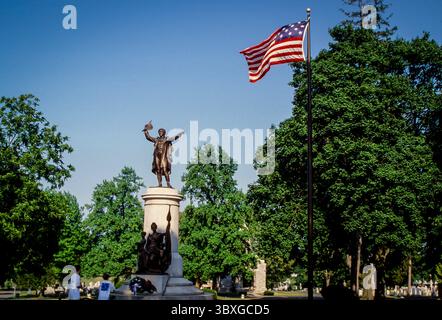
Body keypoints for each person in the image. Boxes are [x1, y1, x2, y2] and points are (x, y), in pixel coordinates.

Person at [143, 121, 183, 188]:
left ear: (164, 133)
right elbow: (148, 137)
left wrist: (179, 134)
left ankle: (168, 184)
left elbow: (174, 138)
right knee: (158, 170)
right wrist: (145, 131)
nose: (160, 133)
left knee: (165, 169)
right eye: (159, 132)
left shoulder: (167, 139)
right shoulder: (156, 139)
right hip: (157, 156)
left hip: (164, 156)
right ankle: (160, 184)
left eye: (161, 132)